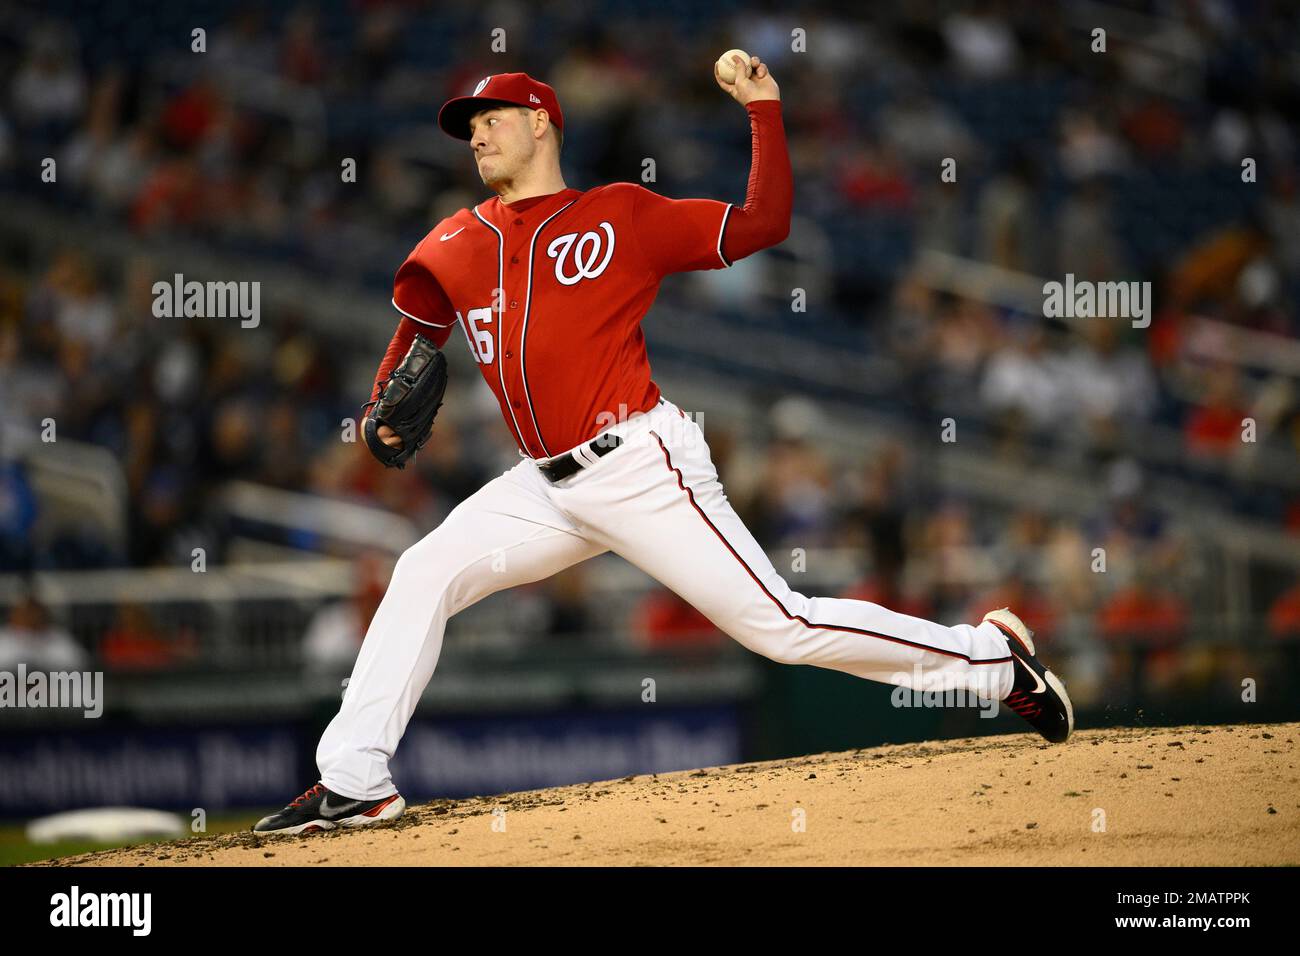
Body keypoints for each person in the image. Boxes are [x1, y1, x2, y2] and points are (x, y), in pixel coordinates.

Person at [254, 59, 1073, 835]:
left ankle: (994, 660)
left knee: (780, 626)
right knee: (421, 570)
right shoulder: (457, 241)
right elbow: (416, 329)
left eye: (492, 118)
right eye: (468, 125)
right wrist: (376, 407)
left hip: (641, 464)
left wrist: (763, 111)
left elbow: (765, 223)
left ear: (542, 124)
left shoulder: (619, 214)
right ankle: (356, 782)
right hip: (543, 487)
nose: (476, 134)